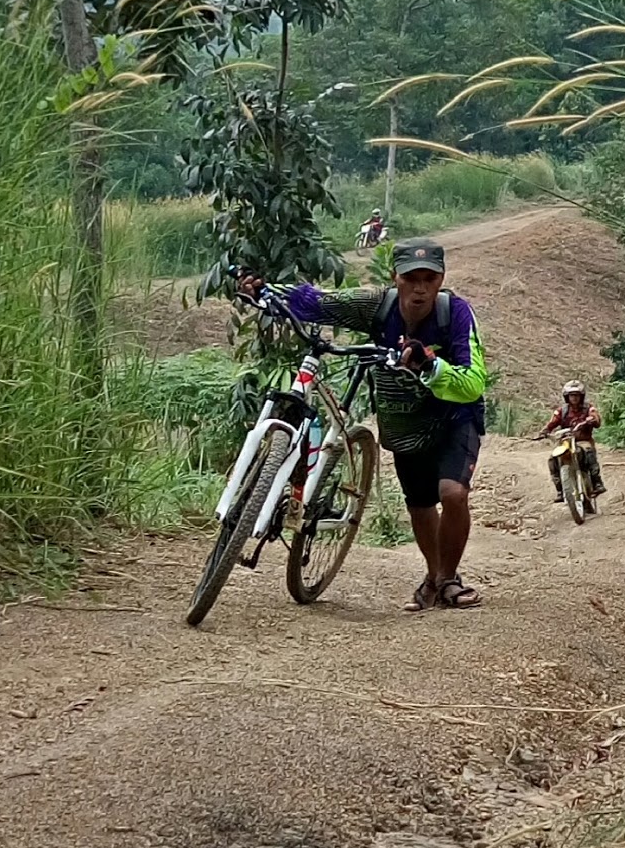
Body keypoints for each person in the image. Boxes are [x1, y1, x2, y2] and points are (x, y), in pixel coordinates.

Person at [255, 238, 487, 612]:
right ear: (395, 277)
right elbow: (318, 303)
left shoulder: (455, 313)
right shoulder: (377, 307)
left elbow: (473, 381)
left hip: (454, 419)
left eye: (429, 278)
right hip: (403, 425)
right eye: (411, 278)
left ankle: (448, 578)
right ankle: (433, 577)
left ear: (441, 279)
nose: (420, 288)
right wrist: (265, 291)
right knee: (420, 504)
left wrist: (430, 366)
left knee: (453, 493)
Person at [536, 382, 606, 503]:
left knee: (589, 452)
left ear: (581, 396)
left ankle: (597, 483)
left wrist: (591, 420)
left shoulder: (588, 408)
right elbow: (551, 423)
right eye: (571, 395)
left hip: (583, 441)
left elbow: (596, 419)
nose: (574, 397)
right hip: (566, 441)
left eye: (576, 395)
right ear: (566, 397)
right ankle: (560, 491)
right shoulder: (562, 411)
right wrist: (544, 432)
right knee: (553, 460)